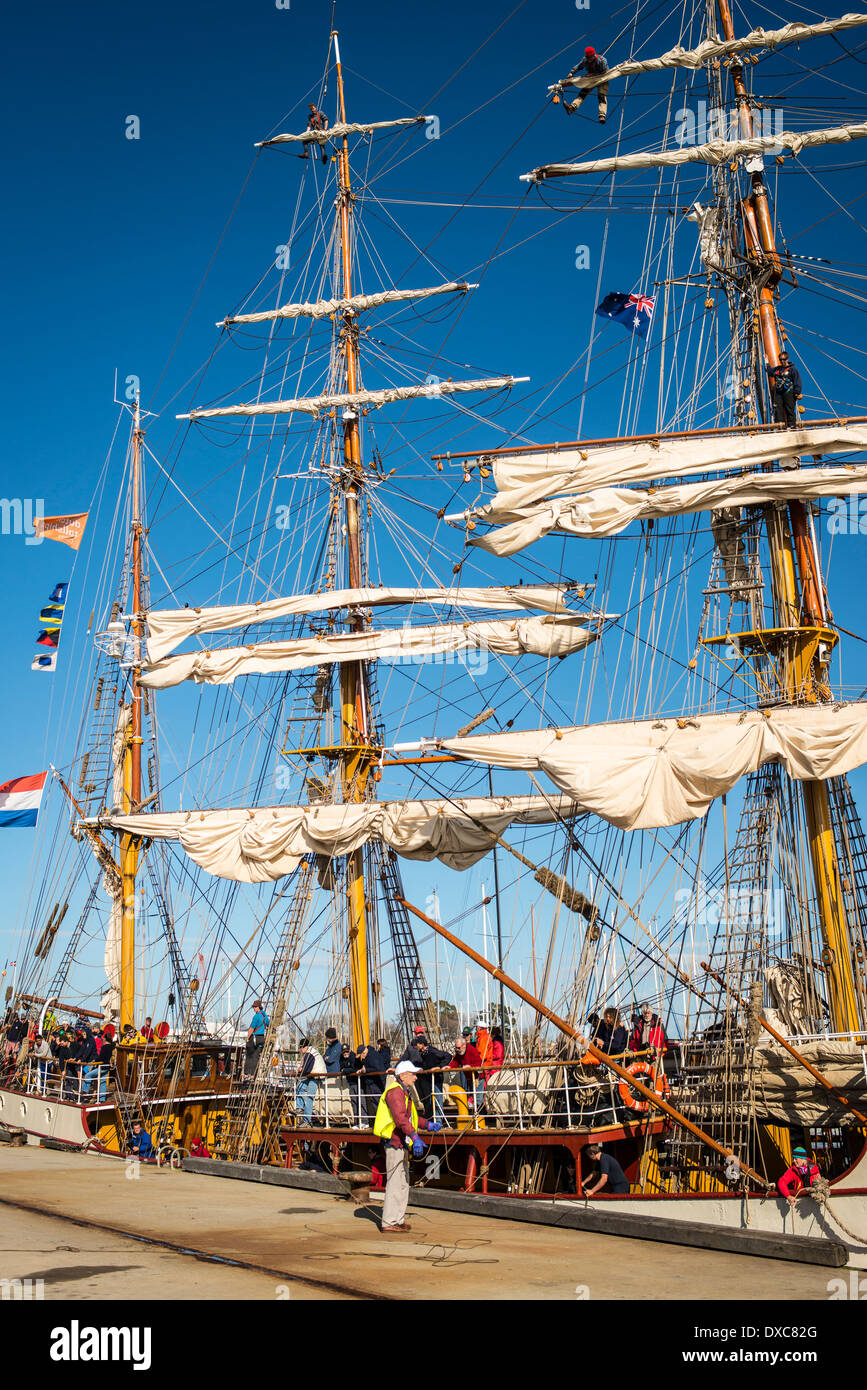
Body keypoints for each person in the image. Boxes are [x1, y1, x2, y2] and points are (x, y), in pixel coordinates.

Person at [373, 1060, 440, 1233]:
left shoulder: (404, 1092)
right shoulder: (395, 1093)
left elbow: (412, 1118)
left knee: (403, 1182)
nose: (416, 1077)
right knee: (396, 1182)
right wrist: (415, 1136)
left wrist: (428, 1125)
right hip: (394, 1141)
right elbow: (400, 1119)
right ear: (403, 1075)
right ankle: (389, 1221)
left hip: (401, 1142)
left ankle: (397, 1219)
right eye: (413, 1074)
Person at [407, 1035, 451, 1122]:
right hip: (427, 1079)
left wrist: (439, 1067)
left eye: (417, 1044)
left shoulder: (433, 1051)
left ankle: (438, 1121)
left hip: (436, 1079)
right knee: (429, 1099)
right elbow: (422, 1063)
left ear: (422, 1044)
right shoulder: (421, 1054)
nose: (416, 1046)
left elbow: (448, 1056)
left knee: (437, 1099)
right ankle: (431, 1119)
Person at [564, 47, 609, 123]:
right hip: (591, 79)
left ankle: (602, 115)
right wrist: (572, 72)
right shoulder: (585, 60)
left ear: (593, 55)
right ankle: (572, 107)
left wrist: (593, 74)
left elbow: (604, 72)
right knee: (583, 93)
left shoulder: (601, 60)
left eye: (589, 57)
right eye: (587, 57)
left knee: (601, 96)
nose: (588, 59)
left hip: (603, 79)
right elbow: (579, 66)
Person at [450, 1035, 484, 1114]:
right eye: (456, 1048)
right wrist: (449, 1067)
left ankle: (480, 1118)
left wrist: (470, 1066)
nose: (457, 1050)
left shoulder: (472, 1050)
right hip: (469, 1077)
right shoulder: (460, 1052)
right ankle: (473, 1116)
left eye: (458, 1048)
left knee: (478, 1098)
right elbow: (456, 1060)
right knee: (471, 1098)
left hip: (477, 1078)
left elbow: (478, 1063)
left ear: (464, 1045)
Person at [768, 351, 803, 430]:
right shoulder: (778, 369)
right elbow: (770, 372)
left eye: (784, 359)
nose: (782, 361)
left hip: (788, 392)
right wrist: (767, 363)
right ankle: (779, 426)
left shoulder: (792, 369)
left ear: (787, 359)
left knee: (789, 409)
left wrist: (797, 391)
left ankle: (791, 426)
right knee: (778, 409)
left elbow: (797, 380)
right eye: (780, 360)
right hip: (778, 393)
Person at [294, 1037, 326, 1123]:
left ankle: (307, 1120)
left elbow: (307, 1069)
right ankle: (299, 1107)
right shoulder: (312, 1052)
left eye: (301, 1048)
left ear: (305, 1047)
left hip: (317, 1077)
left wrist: (300, 1069)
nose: (301, 1050)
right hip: (312, 1076)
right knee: (300, 1086)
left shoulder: (310, 1054)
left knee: (309, 1097)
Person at [245, 999, 269, 1076]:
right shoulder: (265, 1016)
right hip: (262, 1038)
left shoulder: (256, 1016)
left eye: (255, 1007)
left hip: (255, 1037)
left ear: (259, 1007)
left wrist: (248, 1037)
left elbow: (252, 1028)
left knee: (249, 1054)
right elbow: (268, 1024)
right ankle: (254, 1074)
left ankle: (247, 1073)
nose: (254, 1009)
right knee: (256, 1056)